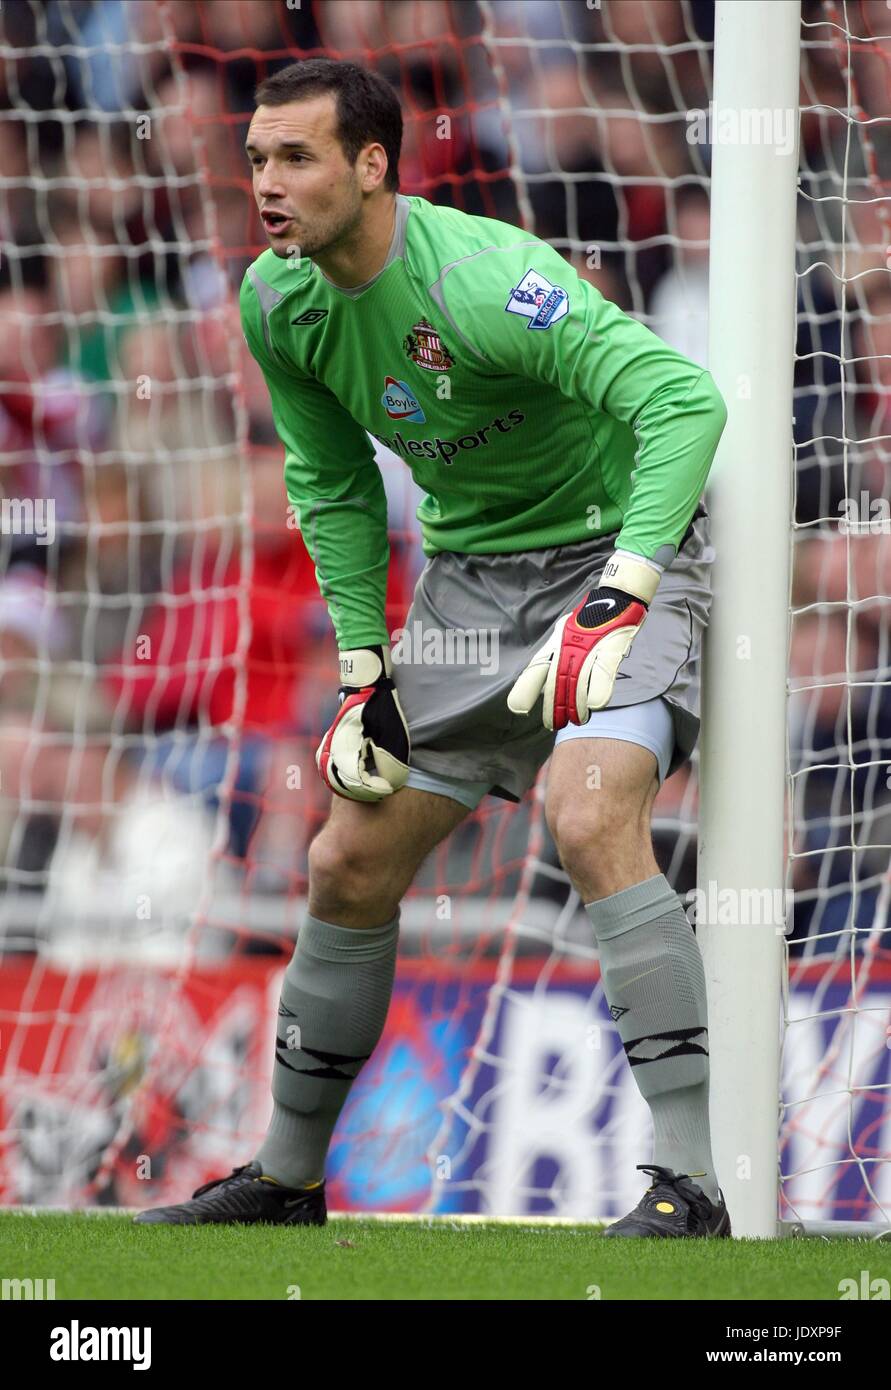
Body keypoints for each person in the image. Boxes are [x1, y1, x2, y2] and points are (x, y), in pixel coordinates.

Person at [134, 57, 729, 1236]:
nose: (266, 184)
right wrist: (364, 670)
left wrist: (619, 595)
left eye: (295, 158)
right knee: (345, 859)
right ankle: (287, 1182)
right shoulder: (276, 301)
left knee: (590, 801)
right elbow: (333, 481)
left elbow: (684, 403)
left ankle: (694, 1182)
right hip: (467, 588)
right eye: (256, 159)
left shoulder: (489, 280)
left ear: (372, 165)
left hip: (617, 552)